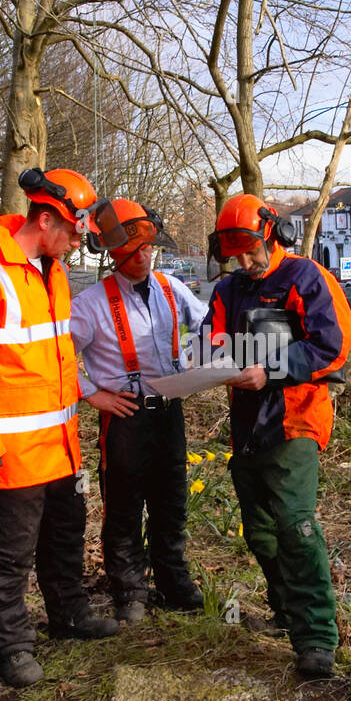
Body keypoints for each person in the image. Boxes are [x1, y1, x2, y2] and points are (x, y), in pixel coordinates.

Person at [0, 168, 119, 690]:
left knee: (64, 538)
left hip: (58, 449)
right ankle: (9, 645)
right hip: (9, 454)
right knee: (8, 553)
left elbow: (50, 359)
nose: (80, 243)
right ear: (47, 216)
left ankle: (69, 614)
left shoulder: (51, 272)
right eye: (77, 231)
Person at [201, 193, 351, 679]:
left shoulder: (305, 278)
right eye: (234, 254)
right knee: (260, 530)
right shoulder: (229, 290)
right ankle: (287, 609)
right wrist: (209, 362)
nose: (244, 262)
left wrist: (271, 370)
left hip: (296, 419)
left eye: (250, 250)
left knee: (295, 525)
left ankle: (317, 637)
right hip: (247, 424)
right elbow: (211, 339)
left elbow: (332, 348)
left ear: (271, 233)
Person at [70, 200, 207, 623]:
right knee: (125, 503)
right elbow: (55, 357)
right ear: (113, 253)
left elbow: (206, 324)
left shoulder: (171, 288)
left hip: (169, 411)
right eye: (132, 251)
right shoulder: (90, 303)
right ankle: (128, 587)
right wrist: (93, 394)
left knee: (171, 498)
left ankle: (172, 579)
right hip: (125, 416)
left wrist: (207, 356)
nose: (143, 257)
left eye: (146, 248)